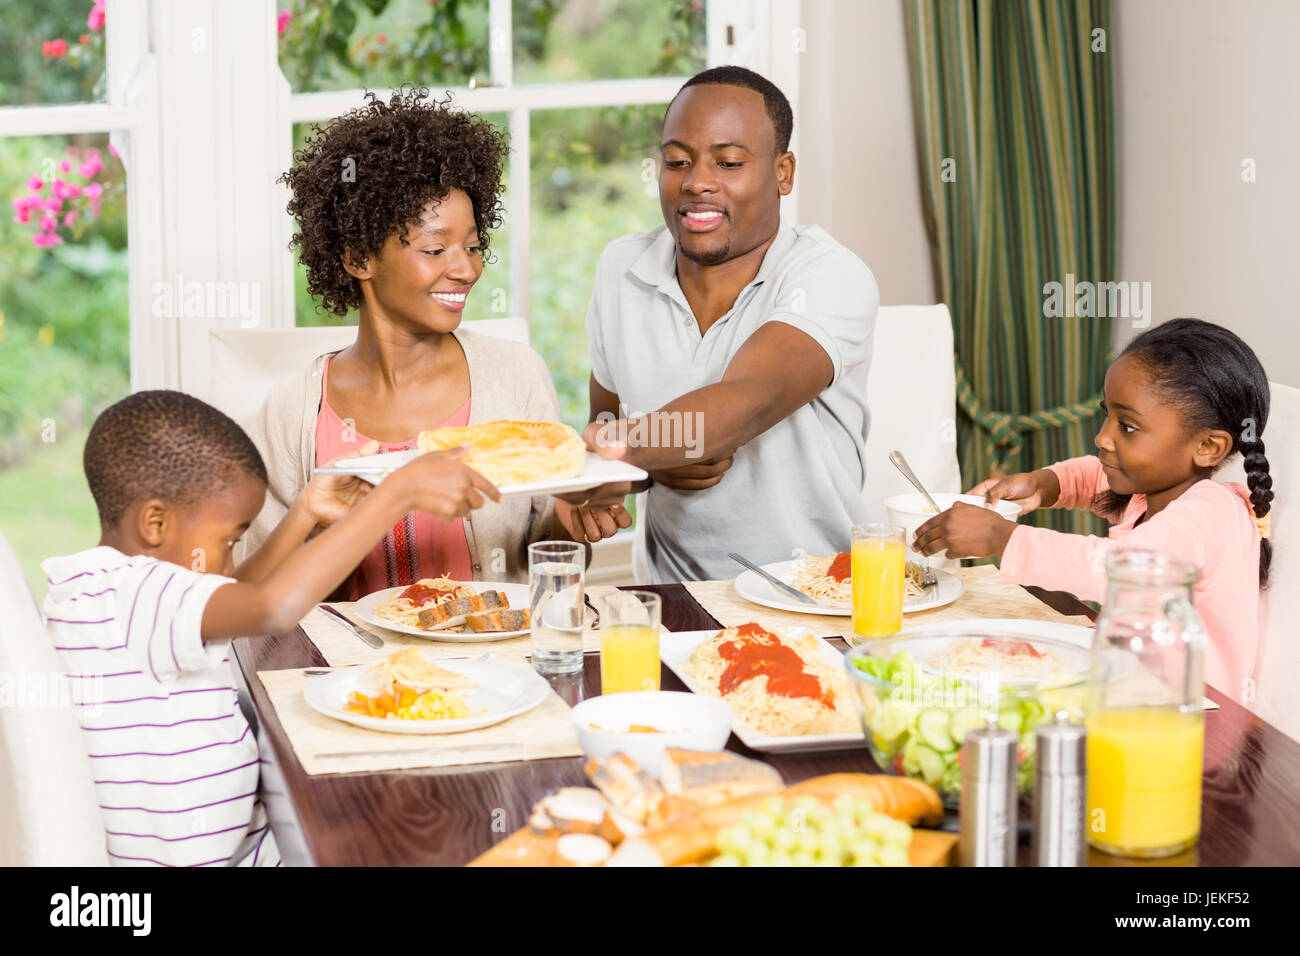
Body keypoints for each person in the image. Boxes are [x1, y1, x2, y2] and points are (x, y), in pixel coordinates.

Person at [42, 390, 496, 866]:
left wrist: (306, 513)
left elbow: (233, 595)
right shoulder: (139, 593)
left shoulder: (101, 593)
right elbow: (270, 607)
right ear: (155, 522)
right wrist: (394, 496)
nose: (229, 559)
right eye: (229, 540)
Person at [246, 88, 578, 595]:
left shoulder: (515, 378)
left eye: (472, 246)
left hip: (493, 667)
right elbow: (253, 602)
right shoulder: (292, 412)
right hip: (346, 670)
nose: (466, 269)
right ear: (359, 258)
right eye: (434, 248)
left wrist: (579, 519)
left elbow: (544, 570)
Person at [562, 66, 879, 582]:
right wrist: (642, 462)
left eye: (729, 162)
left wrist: (617, 450)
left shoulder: (830, 275)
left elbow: (743, 402)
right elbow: (606, 424)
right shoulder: (621, 269)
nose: (697, 182)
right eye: (676, 161)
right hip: (671, 604)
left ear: (783, 173)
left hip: (821, 600)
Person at [913, 318, 1273, 705]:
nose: (1103, 437)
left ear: (1208, 446)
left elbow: (1113, 570)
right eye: (1107, 414)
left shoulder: (1209, 514)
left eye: (1129, 427)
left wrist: (1001, 537)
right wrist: (1044, 484)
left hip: (1193, 724)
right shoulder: (1153, 493)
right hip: (1130, 698)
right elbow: (1091, 478)